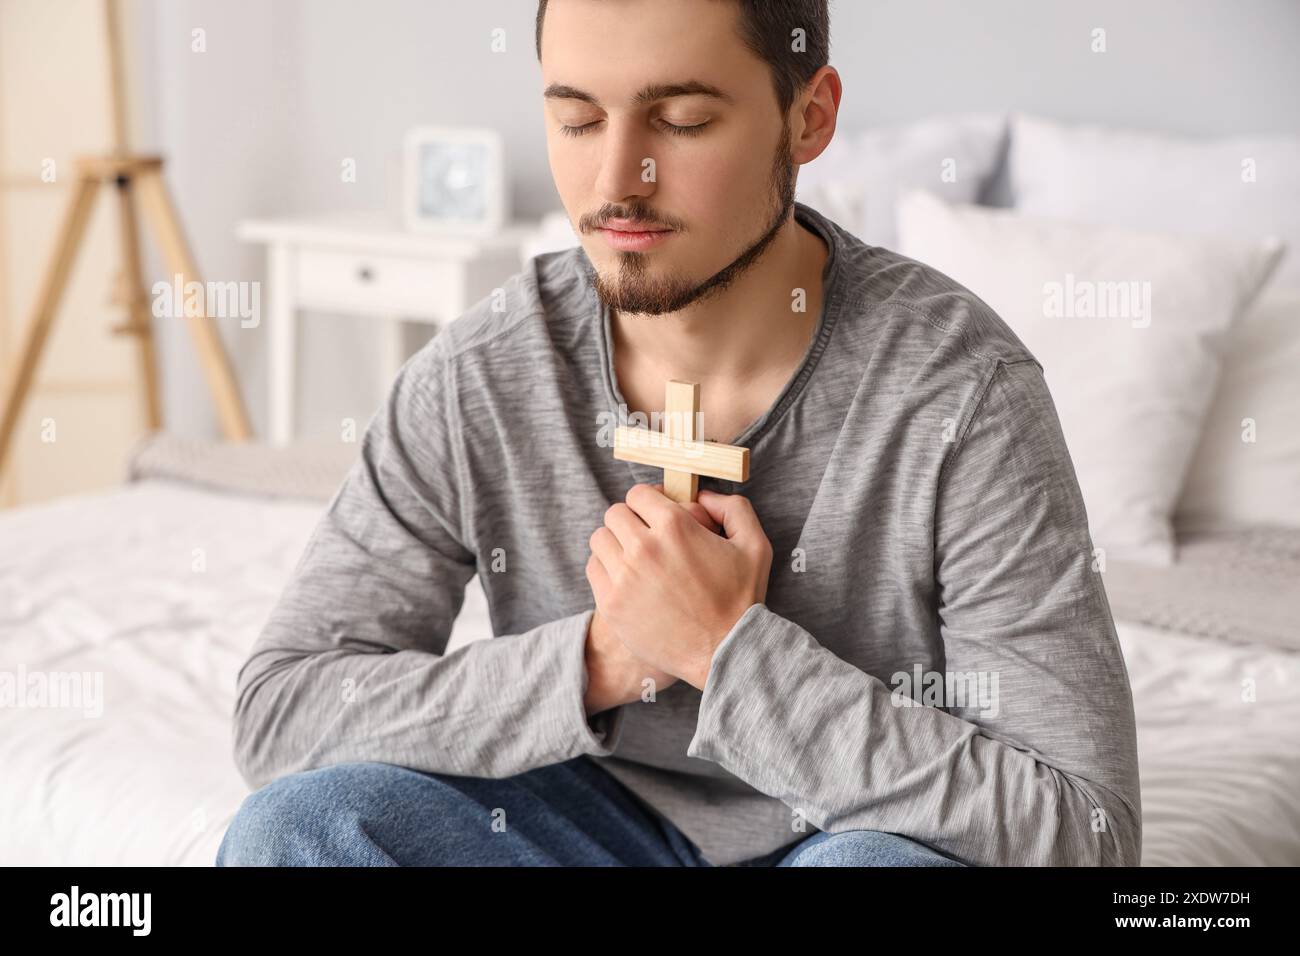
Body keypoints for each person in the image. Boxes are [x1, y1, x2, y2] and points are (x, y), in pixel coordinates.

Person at [217, 0, 1140, 867]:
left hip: (849, 823)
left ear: (808, 117)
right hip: (578, 814)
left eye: (684, 121)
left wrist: (724, 651)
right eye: (578, 120)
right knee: (296, 832)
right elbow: (281, 712)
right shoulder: (483, 373)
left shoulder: (962, 389)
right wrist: (598, 662)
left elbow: (1083, 825)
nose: (618, 183)